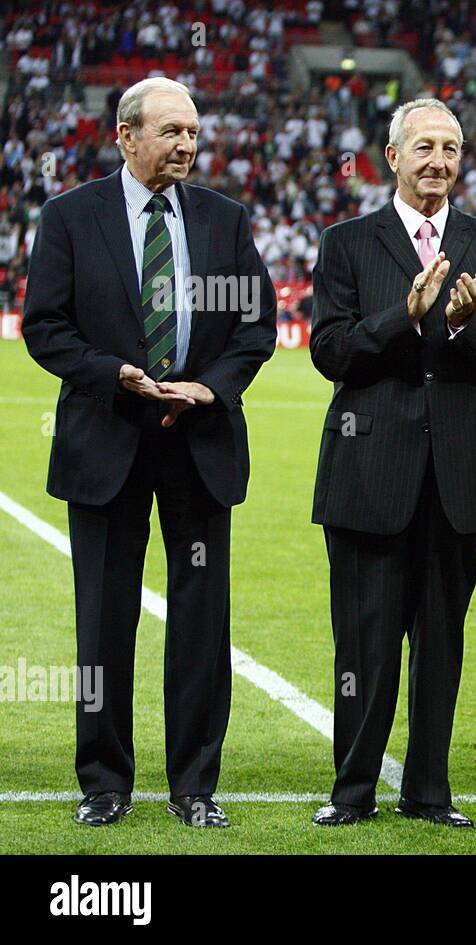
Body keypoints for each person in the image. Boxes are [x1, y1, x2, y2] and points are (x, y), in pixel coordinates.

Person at [22, 77, 277, 828]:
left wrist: (210, 388)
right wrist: (112, 375)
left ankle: (195, 783)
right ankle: (104, 782)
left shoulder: (224, 221)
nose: (187, 146)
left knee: (201, 621)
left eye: (194, 133)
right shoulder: (71, 216)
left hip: (197, 442)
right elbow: (45, 325)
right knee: (104, 620)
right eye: (172, 132)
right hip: (107, 438)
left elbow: (254, 326)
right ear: (126, 135)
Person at [308, 98, 476, 828]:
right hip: (369, 473)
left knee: (440, 643)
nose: (439, 160)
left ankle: (430, 793)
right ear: (392, 155)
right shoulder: (348, 241)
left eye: (451, 147)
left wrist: (465, 323)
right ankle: (352, 792)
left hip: (456, 479)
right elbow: (329, 350)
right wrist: (402, 314)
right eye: (424, 146)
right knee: (363, 645)